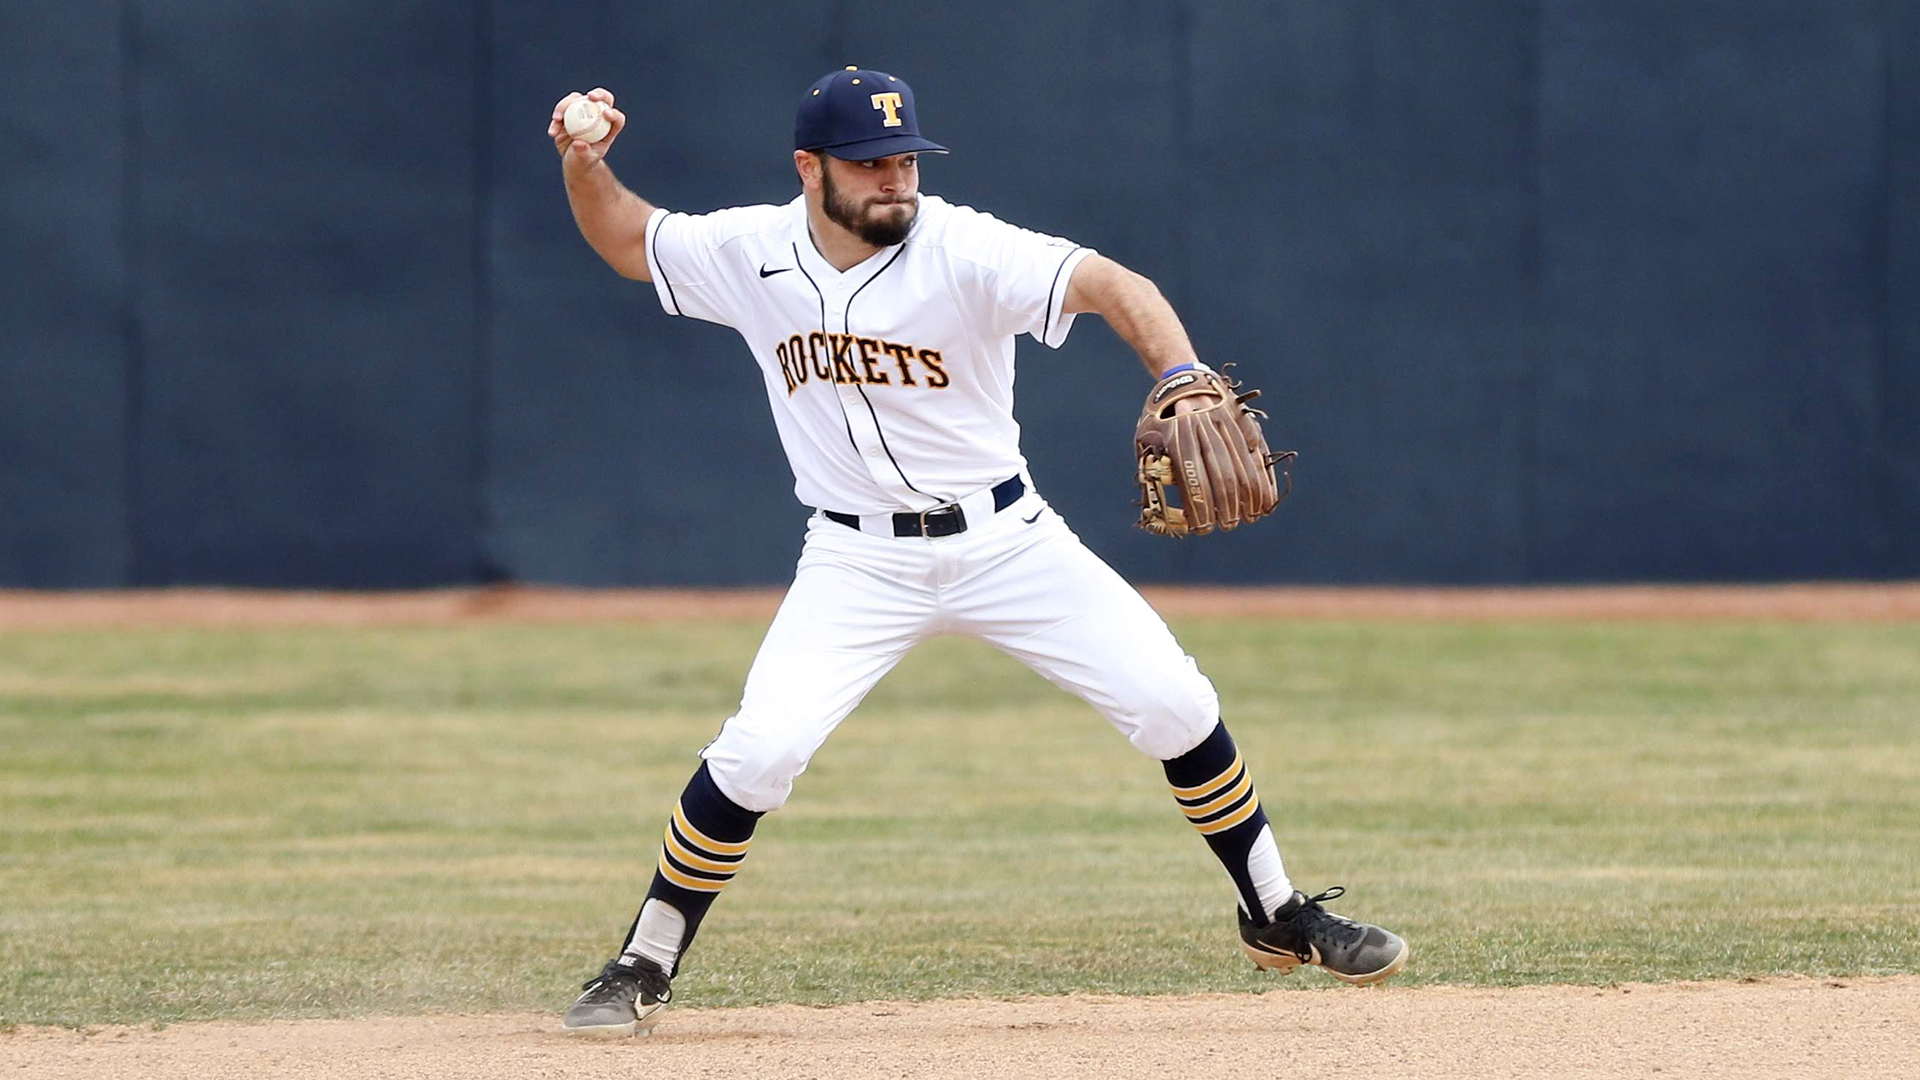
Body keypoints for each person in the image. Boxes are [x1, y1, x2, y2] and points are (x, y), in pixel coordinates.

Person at [547, 68, 1407, 1036]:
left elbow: (1117, 285)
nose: (893, 179)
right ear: (810, 168)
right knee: (759, 754)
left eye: (905, 158)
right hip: (855, 560)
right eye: (870, 163)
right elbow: (626, 238)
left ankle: (1277, 913)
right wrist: (585, 162)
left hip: (1007, 540)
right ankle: (644, 959)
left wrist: (1183, 371)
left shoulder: (966, 247)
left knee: (1174, 702)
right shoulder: (749, 250)